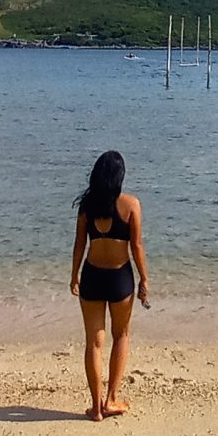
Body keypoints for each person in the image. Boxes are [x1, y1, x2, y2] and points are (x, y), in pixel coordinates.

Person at [68, 149, 150, 421]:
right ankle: (111, 399)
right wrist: (144, 279)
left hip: (92, 274)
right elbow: (136, 246)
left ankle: (95, 407)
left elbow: (80, 244)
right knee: (122, 335)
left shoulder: (87, 206)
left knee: (94, 342)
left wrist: (74, 275)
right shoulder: (130, 205)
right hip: (119, 278)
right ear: (120, 178)